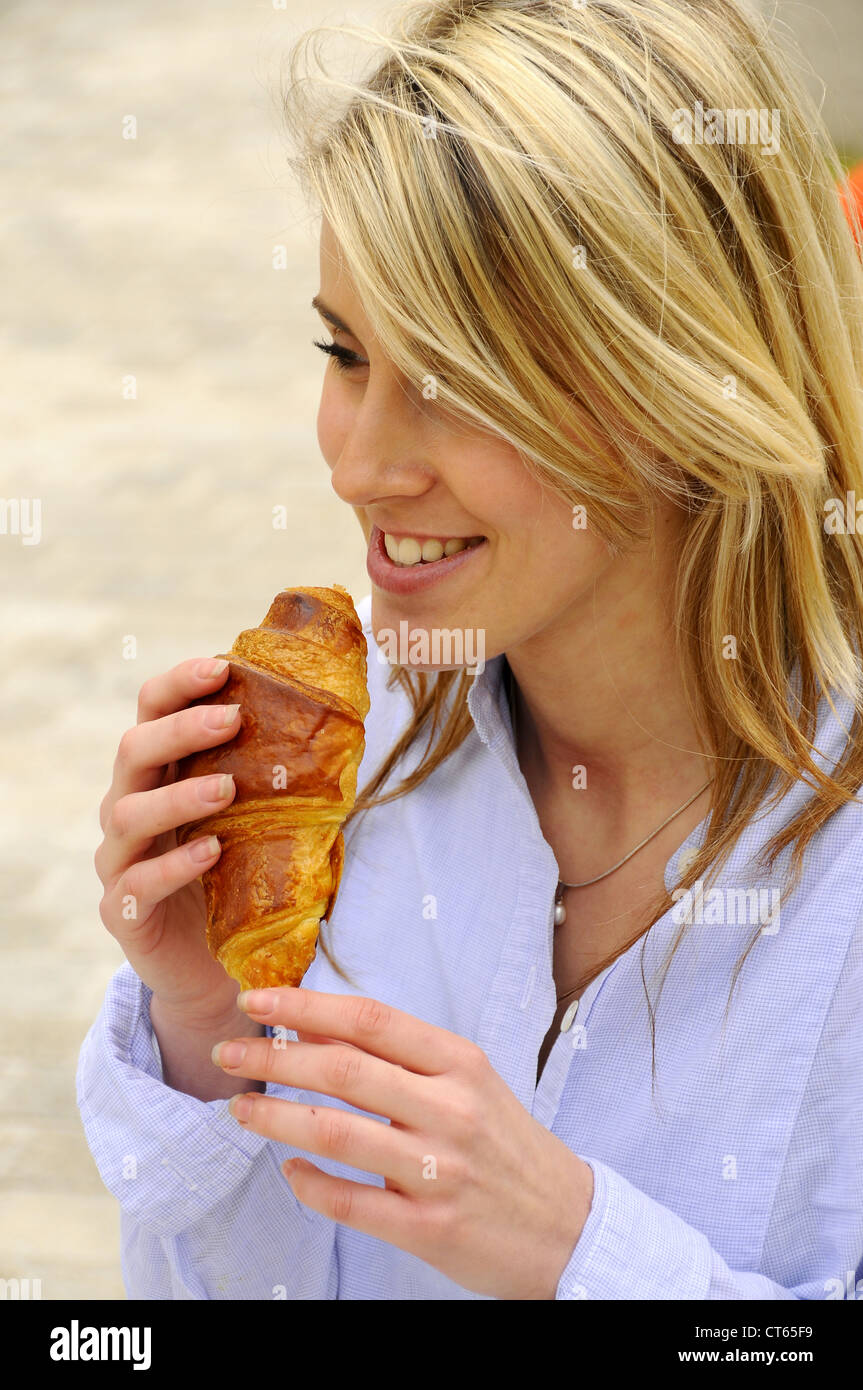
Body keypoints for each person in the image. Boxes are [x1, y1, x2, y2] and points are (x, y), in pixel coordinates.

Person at [79, 0, 863, 1299]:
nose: (358, 462)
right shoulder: (345, 779)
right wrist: (208, 1025)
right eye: (344, 353)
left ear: (682, 387)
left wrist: (580, 1252)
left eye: (452, 379)